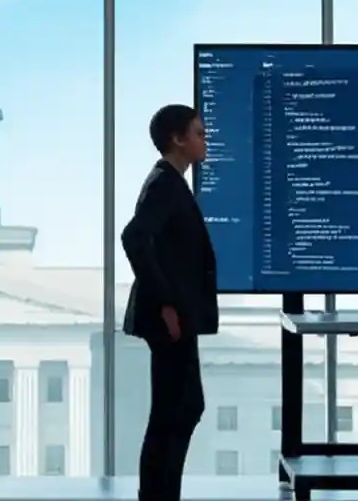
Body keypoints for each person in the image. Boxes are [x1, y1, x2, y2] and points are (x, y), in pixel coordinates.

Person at [121, 104, 220, 501]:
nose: (204, 139)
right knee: (175, 410)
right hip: (171, 319)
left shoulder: (171, 181)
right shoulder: (164, 183)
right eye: (198, 133)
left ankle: (161, 494)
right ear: (178, 139)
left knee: (180, 408)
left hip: (178, 315)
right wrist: (164, 303)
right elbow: (134, 238)